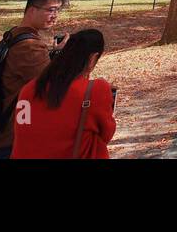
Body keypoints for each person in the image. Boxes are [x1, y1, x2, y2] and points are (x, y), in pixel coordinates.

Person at [0, 0, 66, 160]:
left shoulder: (15, 34)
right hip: (15, 139)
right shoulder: (29, 46)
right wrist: (69, 57)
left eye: (58, 10)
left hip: (8, 134)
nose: (55, 16)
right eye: (50, 10)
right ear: (31, 10)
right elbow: (54, 85)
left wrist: (54, 52)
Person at [11, 29, 116, 159]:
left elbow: (25, 133)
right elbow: (106, 134)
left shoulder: (28, 90)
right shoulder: (96, 90)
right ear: (93, 58)